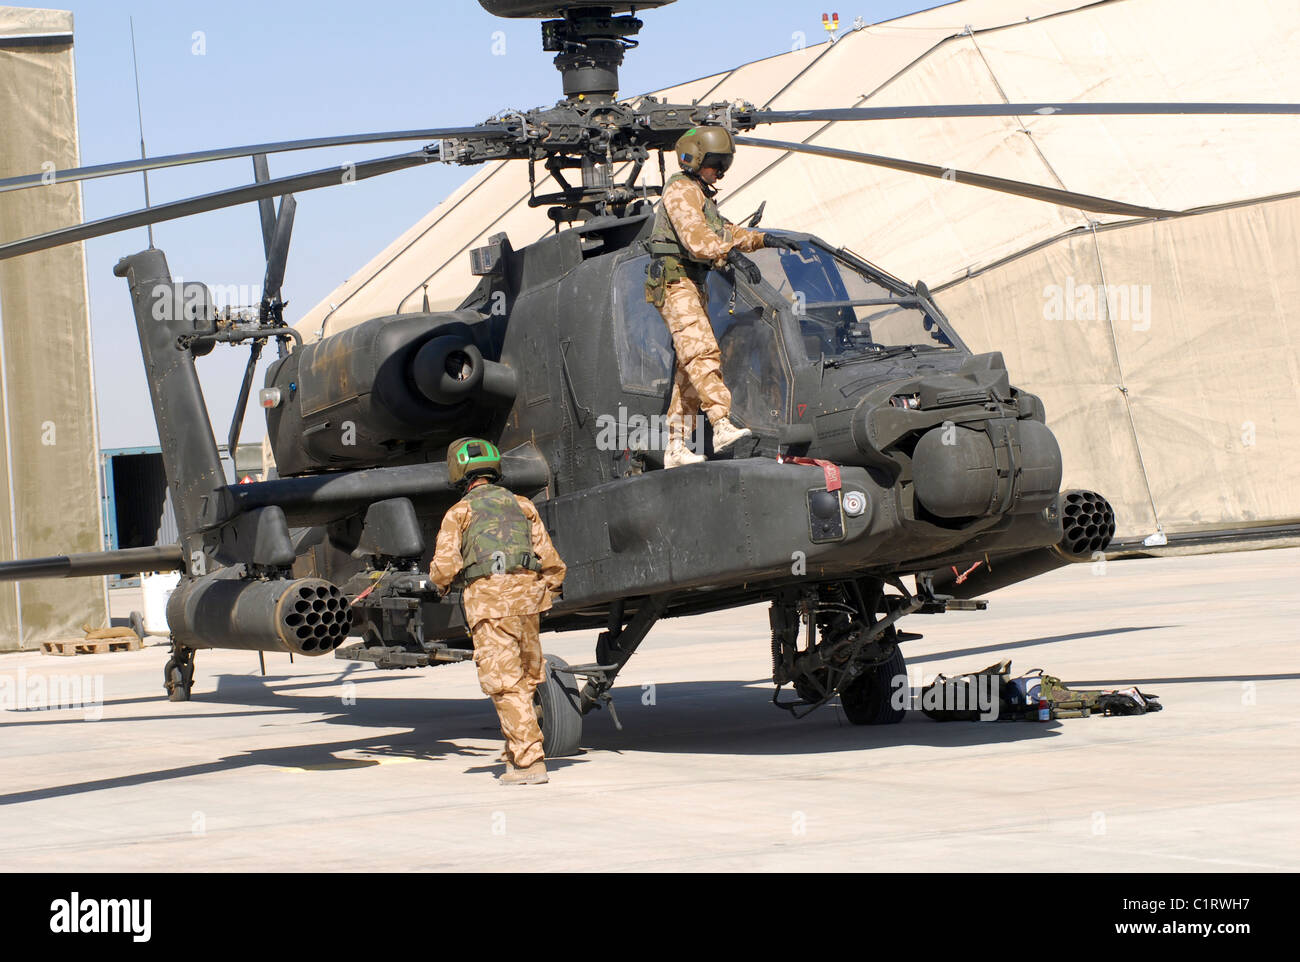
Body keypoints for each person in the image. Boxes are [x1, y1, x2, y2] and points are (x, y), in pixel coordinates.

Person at [645, 125, 802, 468]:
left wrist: (762, 240)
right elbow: (697, 238)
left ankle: (675, 446)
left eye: (724, 165)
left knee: (689, 369)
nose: (720, 172)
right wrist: (729, 254)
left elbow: (724, 231)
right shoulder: (680, 192)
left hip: (690, 283)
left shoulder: (701, 195)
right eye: (715, 164)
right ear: (694, 158)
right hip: (675, 283)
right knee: (702, 351)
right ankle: (720, 424)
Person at [429, 438, 566, 786]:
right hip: (528, 601)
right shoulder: (523, 505)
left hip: (490, 605)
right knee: (527, 676)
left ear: (459, 473)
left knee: (504, 683)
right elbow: (551, 562)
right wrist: (543, 592)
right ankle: (520, 745)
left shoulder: (459, 513)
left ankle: (528, 763)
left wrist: (439, 586)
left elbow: (444, 568)